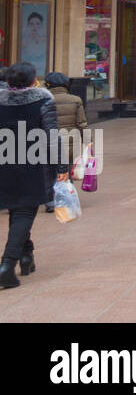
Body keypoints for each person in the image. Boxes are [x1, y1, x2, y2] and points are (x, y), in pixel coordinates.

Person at [0, 63, 68, 289]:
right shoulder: (43, 100)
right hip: (34, 164)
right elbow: (51, 137)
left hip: (5, 163)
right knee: (24, 212)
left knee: (17, 209)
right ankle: (7, 265)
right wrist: (61, 166)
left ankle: (26, 256)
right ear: (33, 81)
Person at [43, 72, 87, 212]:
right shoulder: (76, 100)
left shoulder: (44, 99)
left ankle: (50, 202)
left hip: (49, 141)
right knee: (66, 170)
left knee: (49, 171)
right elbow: (81, 123)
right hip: (70, 141)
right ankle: (66, 198)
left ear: (48, 84)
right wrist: (88, 141)